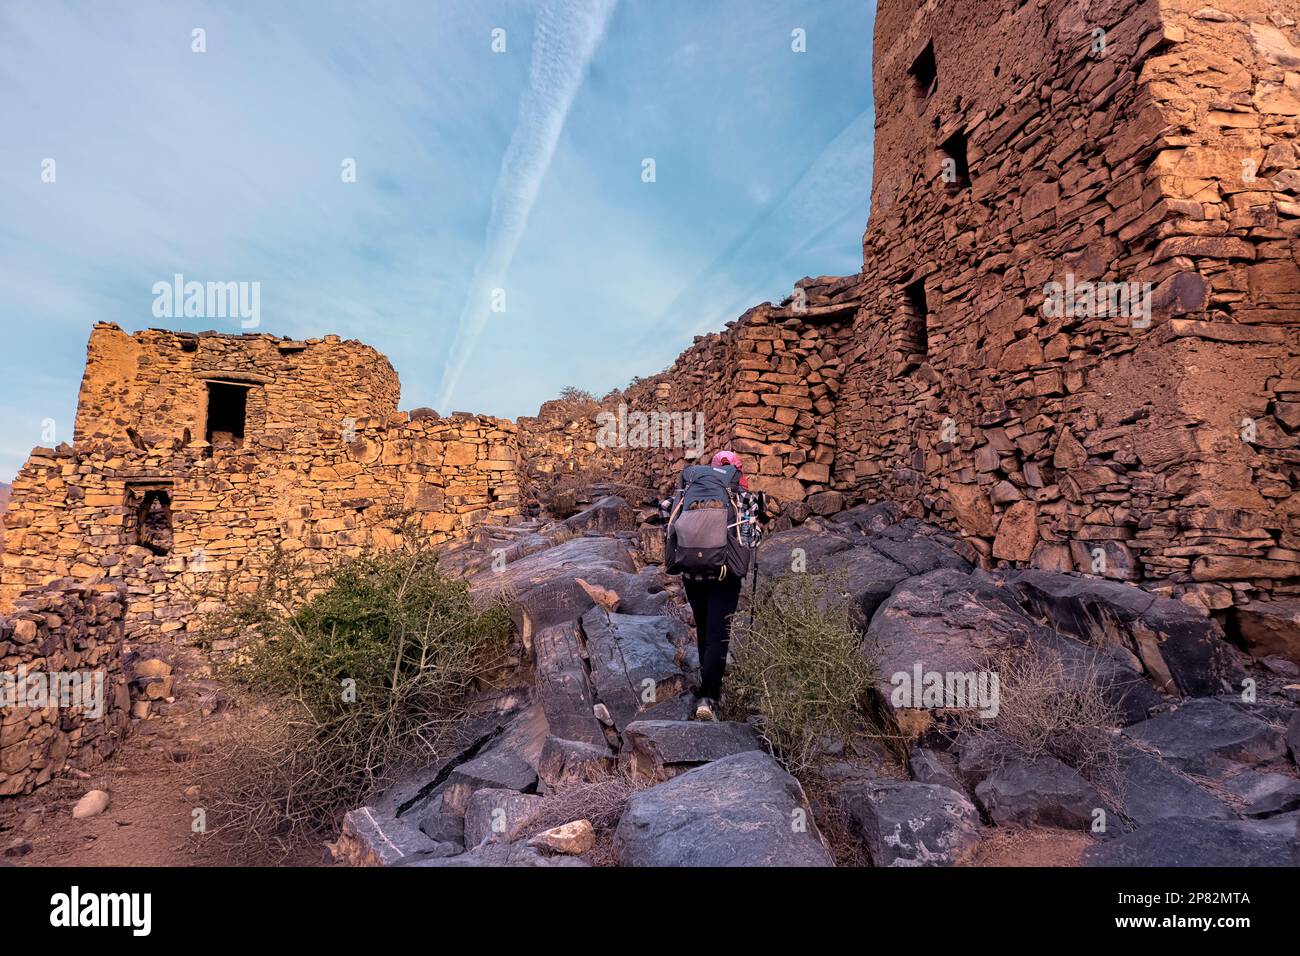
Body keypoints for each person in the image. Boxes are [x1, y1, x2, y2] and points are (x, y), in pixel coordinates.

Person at [676, 450, 752, 721]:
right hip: (724, 573)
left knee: (705, 626)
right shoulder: (740, 493)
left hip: (691, 572)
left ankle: (706, 681)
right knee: (719, 632)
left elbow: (669, 519)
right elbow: (750, 535)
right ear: (735, 470)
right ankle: (708, 696)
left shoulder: (690, 487)